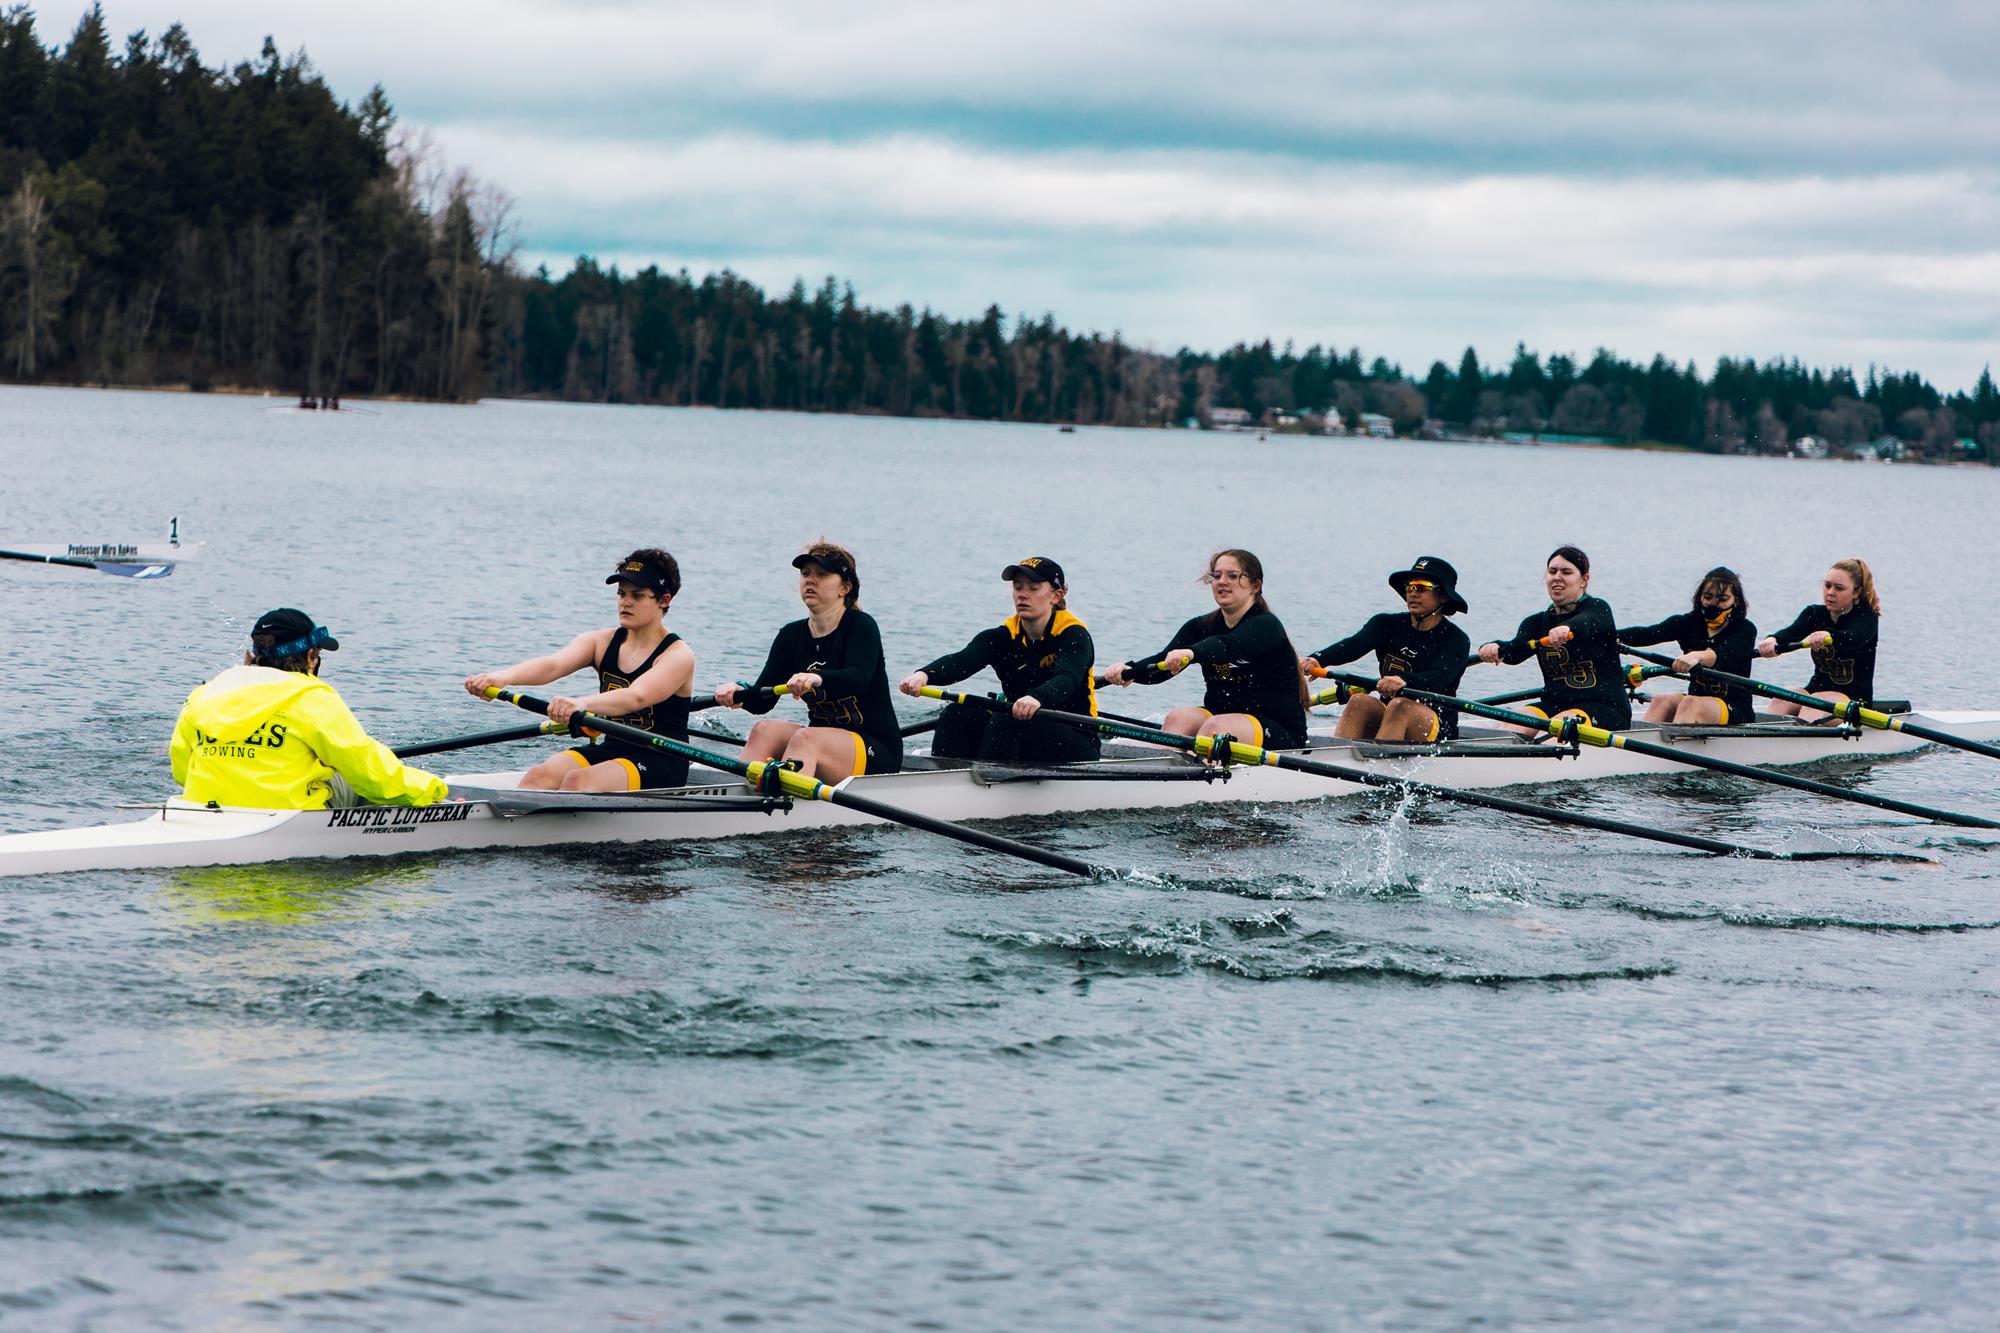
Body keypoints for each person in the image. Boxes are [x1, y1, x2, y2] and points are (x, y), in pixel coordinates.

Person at [170, 608, 448, 810]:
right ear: (309, 656)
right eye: (318, 654)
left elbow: (182, 770)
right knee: (355, 775)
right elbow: (370, 773)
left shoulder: (205, 693)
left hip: (204, 808)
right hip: (290, 816)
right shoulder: (311, 698)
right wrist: (435, 791)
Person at [462, 549, 695, 790]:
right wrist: (502, 677)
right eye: (621, 593)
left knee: (577, 780)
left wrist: (581, 704)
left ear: (664, 600)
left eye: (637, 595)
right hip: (614, 747)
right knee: (538, 776)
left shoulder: (678, 655)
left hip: (662, 758)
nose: (625, 602)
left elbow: (637, 696)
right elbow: (553, 665)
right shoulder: (600, 642)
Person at [713, 540, 902, 780]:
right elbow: (762, 701)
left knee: (805, 738)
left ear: (844, 588)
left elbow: (857, 678)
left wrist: (816, 678)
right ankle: (734, 794)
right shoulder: (790, 635)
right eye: (805, 574)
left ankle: (785, 799)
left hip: (876, 749)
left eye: (821, 574)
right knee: (764, 730)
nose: (810, 580)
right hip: (823, 740)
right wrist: (739, 691)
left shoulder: (861, 626)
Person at [1100, 548, 1309, 750]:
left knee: (1216, 727)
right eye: (1216, 575)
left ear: (1255, 586)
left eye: (1233, 576)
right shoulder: (1200, 626)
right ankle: (1166, 766)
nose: (1222, 581)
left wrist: (1191, 653)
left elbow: (1227, 645)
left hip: (1278, 727)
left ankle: (1197, 768)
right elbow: (1161, 666)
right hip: (1221, 716)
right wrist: (1127, 670)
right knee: (1179, 717)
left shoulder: (1266, 625)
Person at [899, 556, 1100, 764]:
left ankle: (988, 780)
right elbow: (961, 661)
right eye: (1017, 587)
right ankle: (945, 776)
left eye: (1033, 588)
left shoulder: (1073, 635)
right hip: (1021, 728)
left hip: (1077, 740)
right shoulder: (1004, 637)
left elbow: (1067, 678)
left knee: (1006, 719)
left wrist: (1037, 697)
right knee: (956, 713)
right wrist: (923, 675)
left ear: (1056, 596)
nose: (1022, 594)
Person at [1302, 555, 1471, 743]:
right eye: (1410, 587)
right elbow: (1353, 645)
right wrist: (1318, 659)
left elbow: (1439, 678)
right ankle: (1338, 754)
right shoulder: (1386, 624)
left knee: (1400, 705)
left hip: (1436, 726)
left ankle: (1378, 759)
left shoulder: (1456, 639)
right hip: (1391, 714)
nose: (1413, 593)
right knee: (1359, 701)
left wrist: (1404, 680)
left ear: (1443, 596)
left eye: (1422, 587)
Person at [1477, 545, 1632, 734]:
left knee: (1553, 730)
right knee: (1509, 726)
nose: (1557, 577)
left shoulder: (1598, 608)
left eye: (1566, 572)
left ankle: (1542, 750)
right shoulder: (1535, 622)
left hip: (1605, 707)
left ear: (1584, 580)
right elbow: (1516, 650)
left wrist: (1568, 628)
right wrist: (1493, 647)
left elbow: (1586, 622)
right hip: (1555, 704)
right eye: (1552, 571)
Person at [1620, 566, 1758, 725]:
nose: (1714, 604)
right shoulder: (1689, 623)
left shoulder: (1745, 629)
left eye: (1723, 599)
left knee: (1691, 703)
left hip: (1735, 707)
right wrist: (1609, 636)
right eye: (1708, 597)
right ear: (1700, 597)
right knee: (1661, 700)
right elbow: (1647, 634)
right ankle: (1640, 739)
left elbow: (1722, 654)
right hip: (1697, 700)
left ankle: (1678, 739)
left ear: (1735, 601)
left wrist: (1696, 656)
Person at [1757, 557, 1881, 722]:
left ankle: (1801, 735)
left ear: (1856, 592)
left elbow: (1854, 638)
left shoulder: (1866, 617)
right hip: (1816, 691)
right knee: (1782, 698)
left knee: (1816, 703)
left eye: (1839, 588)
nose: (1830, 592)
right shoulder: (1814, 614)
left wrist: (1830, 635)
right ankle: (1765, 733)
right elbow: (1790, 634)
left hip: (1854, 700)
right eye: (1827, 585)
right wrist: (1772, 640)